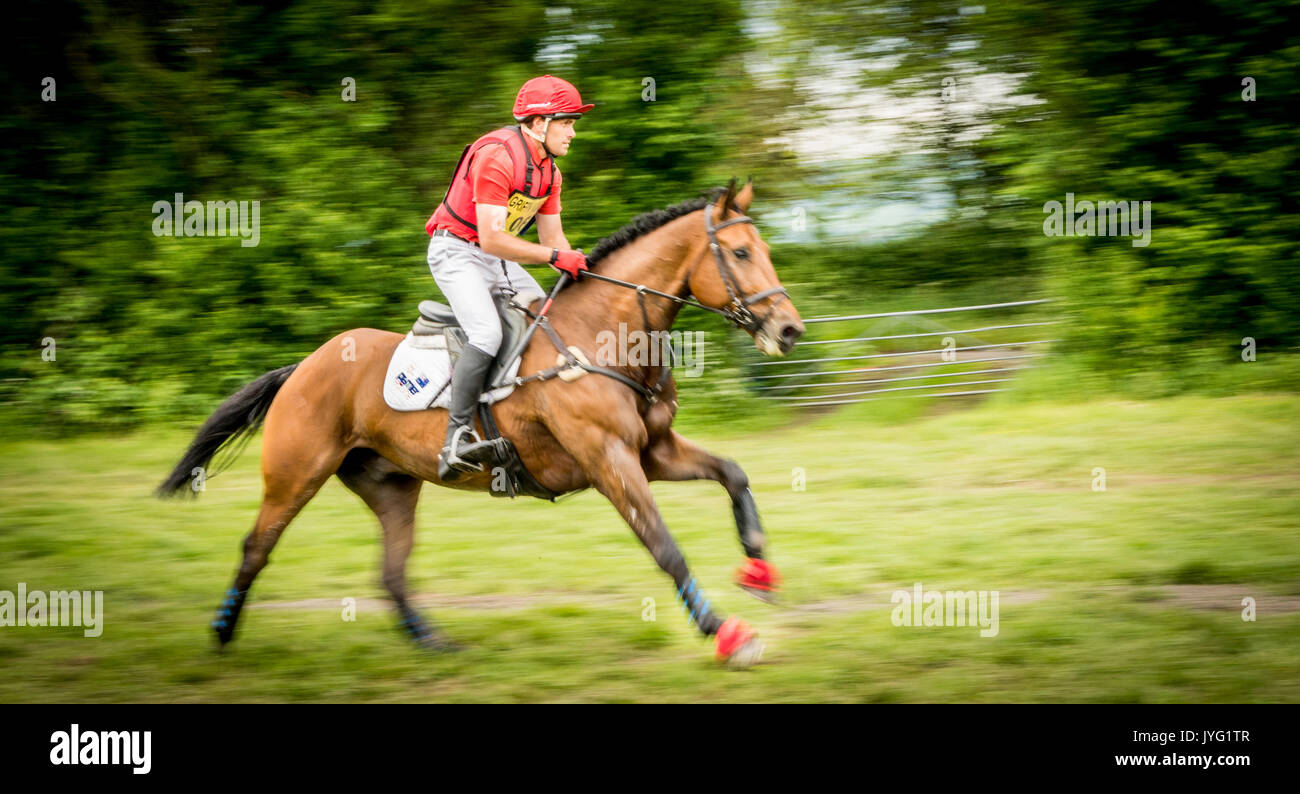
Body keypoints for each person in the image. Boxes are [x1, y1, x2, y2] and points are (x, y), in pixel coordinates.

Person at [424, 75, 592, 481]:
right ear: (538, 125)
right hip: (456, 251)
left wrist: (577, 270)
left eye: (573, 122)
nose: (573, 131)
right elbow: (493, 238)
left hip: (493, 256)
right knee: (487, 333)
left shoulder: (550, 173)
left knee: (542, 321)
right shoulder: (498, 157)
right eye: (566, 122)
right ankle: (456, 438)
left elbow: (554, 240)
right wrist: (556, 256)